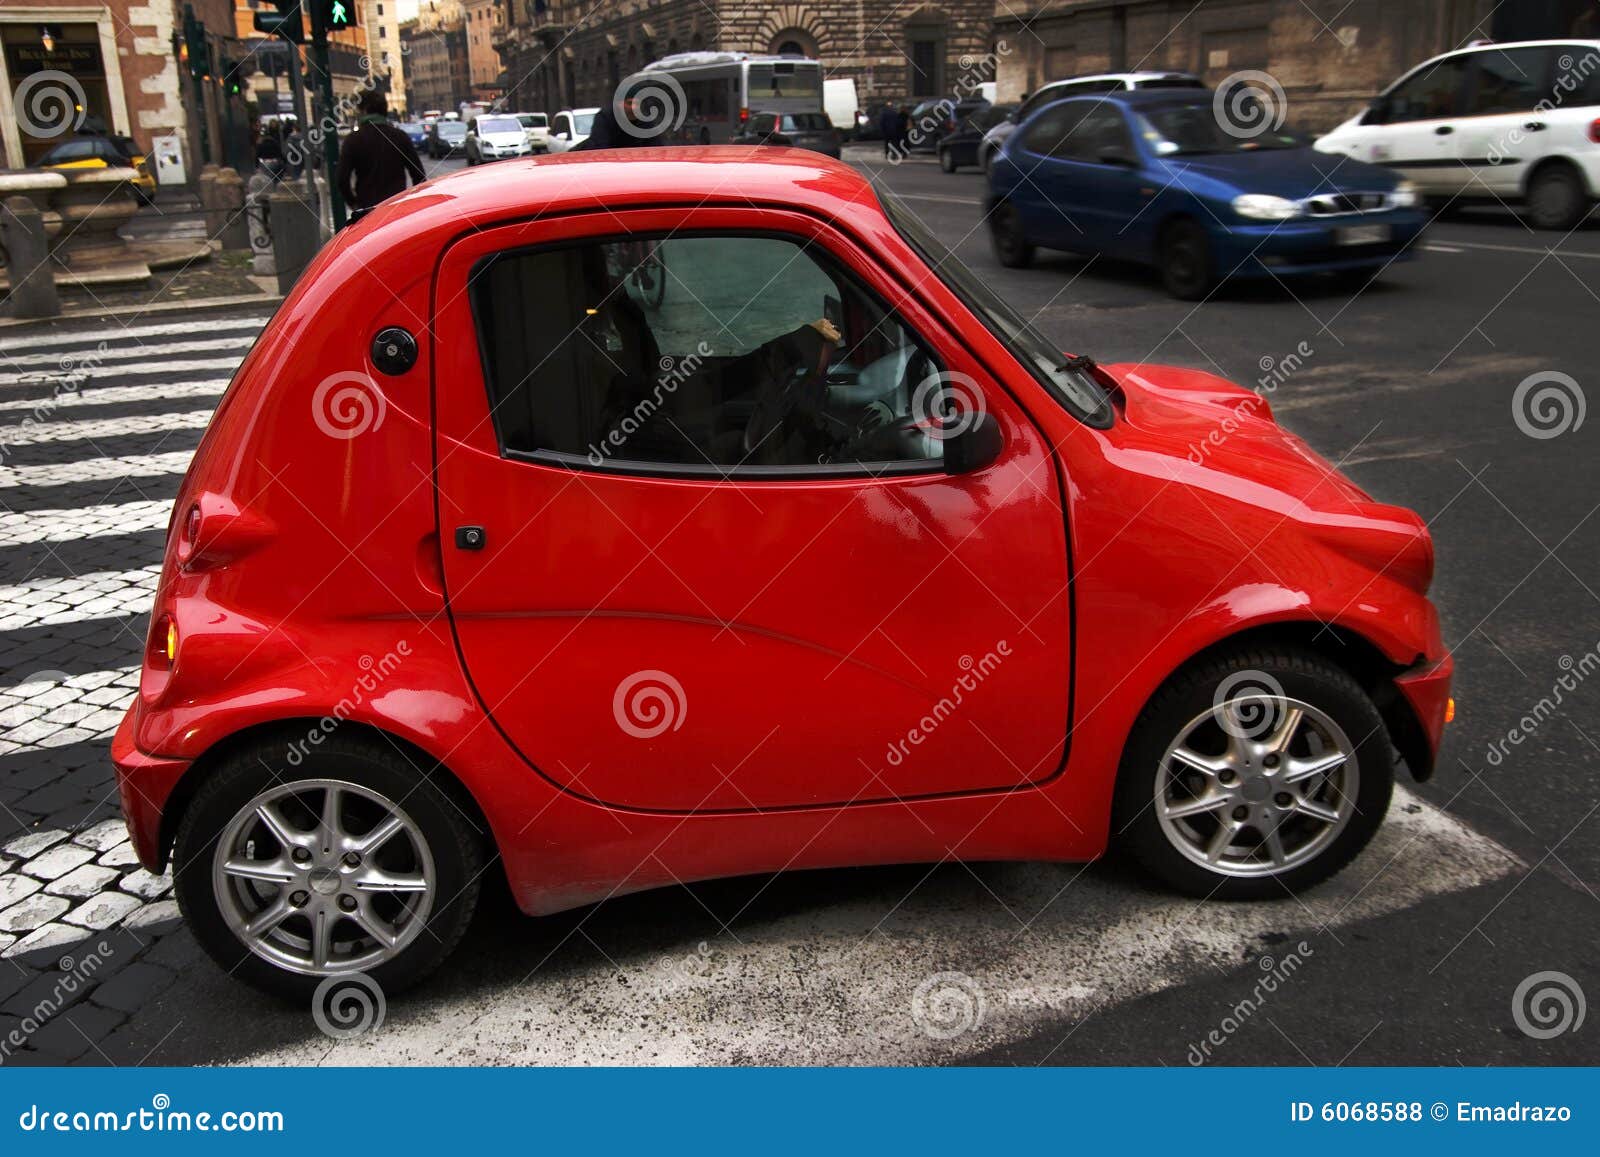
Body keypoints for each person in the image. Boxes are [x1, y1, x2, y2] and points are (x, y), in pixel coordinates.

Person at [335, 90, 424, 223]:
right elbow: (419, 176)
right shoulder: (400, 136)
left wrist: (354, 204)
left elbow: (342, 179)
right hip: (397, 209)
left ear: (364, 110)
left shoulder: (353, 140)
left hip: (368, 211)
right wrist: (410, 203)